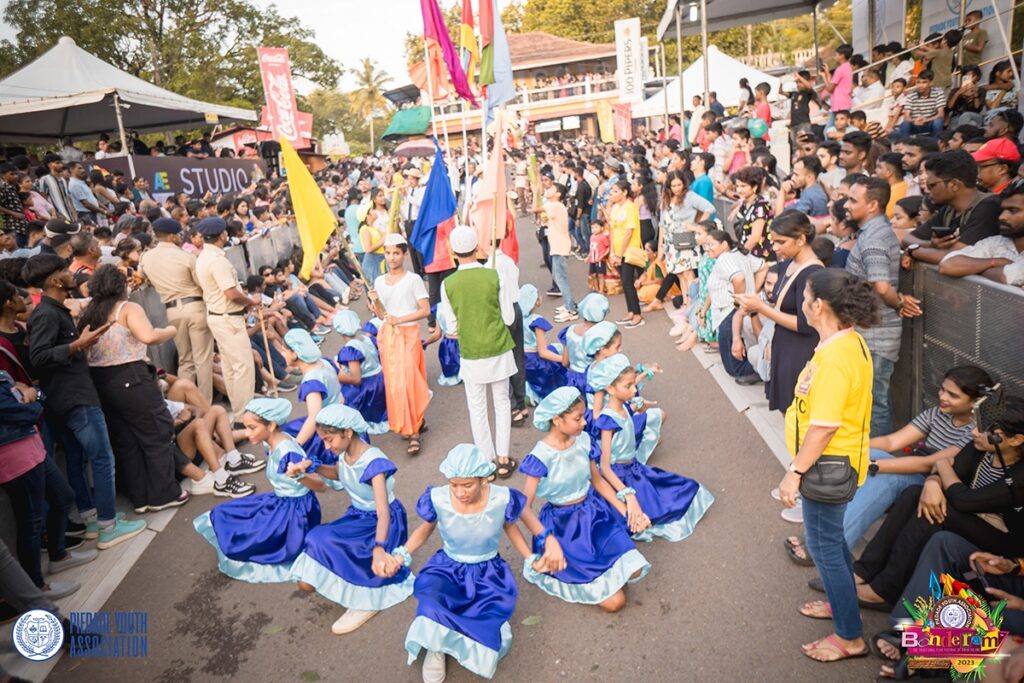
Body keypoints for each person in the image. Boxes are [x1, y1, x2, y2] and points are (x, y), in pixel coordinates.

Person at [778, 268, 878, 663]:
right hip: (837, 463)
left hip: (827, 467)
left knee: (824, 548)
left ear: (819, 306)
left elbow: (823, 427)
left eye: (805, 297)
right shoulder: (845, 343)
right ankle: (842, 604)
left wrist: (794, 472)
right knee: (832, 541)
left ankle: (850, 636)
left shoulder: (837, 356)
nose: (802, 303)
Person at [399, 443, 560, 682]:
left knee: (489, 625)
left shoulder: (501, 499)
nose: (460, 492)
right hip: (448, 567)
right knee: (431, 604)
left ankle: (461, 634)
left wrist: (530, 558)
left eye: (467, 485)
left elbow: (511, 529)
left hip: (487, 572)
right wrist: (402, 553)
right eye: (454, 485)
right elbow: (424, 531)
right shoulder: (438, 498)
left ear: (484, 480)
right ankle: (436, 646)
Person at [852, 395, 1024, 610]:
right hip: (972, 516)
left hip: (1004, 537)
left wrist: (942, 465)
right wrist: (933, 482)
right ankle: (863, 571)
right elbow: (952, 476)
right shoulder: (982, 446)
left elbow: (963, 500)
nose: (973, 432)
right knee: (914, 493)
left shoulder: (1019, 475)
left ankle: (884, 590)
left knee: (937, 514)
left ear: (1016, 440)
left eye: (985, 430)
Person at [23, 254, 147, 548]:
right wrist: (77, 345)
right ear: (54, 280)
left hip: (67, 396)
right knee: (102, 458)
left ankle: (93, 520)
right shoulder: (46, 314)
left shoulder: (55, 309)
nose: (71, 273)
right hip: (74, 397)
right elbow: (38, 357)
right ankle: (107, 526)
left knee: (78, 461)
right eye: (65, 270)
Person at [77, 265, 193, 514]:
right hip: (131, 376)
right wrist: (170, 330)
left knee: (126, 441)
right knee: (156, 433)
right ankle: (164, 494)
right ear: (120, 286)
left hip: (101, 381)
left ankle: (140, 498)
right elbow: (149, 336)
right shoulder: (126, 307)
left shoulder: (90, 311)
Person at [520, 387, 648, 610]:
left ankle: (604, 578)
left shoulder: (584, 441)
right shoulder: (540, 457)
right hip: (563, 529)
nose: (584, 422)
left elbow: (597, 481)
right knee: (615, 602)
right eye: (578, 418)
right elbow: (524, 508)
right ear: (557, 420)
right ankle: (600, 579)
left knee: (636, 568)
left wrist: (626, 511)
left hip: (595, 514)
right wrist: (546, 539)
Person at [291, 404, 414, 635]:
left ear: (347, 432)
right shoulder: (345, 453)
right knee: (317, 538)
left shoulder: (374, 462)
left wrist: (379, 547)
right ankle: (353, 579)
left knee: (321, 539)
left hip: (382, 524)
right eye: (324, 441)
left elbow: (383, 512)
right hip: (358, 516)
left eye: (329, 440)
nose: (327, 446)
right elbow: (339, 474)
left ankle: (364, 598)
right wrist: (310, 469)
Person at [193, 398, 324, 583]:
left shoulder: (287, 453)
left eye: (252, 427)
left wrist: (301, 475)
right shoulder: (273, 440)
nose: (247, 433)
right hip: (284, 500)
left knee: (247, 533)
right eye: (246, 427)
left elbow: (321, 485)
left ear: (271, 425)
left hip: (296, 514)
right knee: (226, 513)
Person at [591, 354, 713, 539]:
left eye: (633, 384)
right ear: (610, 388)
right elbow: (605, 467)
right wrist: (626, 493)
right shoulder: (607, 421)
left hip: (634, 469)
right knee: (655, 507)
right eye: (628, 386)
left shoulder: (623, 406)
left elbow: (628, 417)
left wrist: (637, 407)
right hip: (620, 478)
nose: (634, 390)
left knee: (687, 488)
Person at [844, 177, 921, 436]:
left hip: (876, 336)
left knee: (875, 401)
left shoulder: (874, 238)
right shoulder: (875, 233)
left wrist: (899, 301)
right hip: (871, 332)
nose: (846, 204)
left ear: (873, 205)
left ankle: (878, 460)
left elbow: (881, 287)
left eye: (853, 200)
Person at [441, 226, 517, 477]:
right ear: (477, 248)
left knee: (477, 408)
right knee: (502, 402)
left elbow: (451, 327)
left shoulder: (448, 284)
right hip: (498, 346)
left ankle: (486, 461)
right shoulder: (494, 275)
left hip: (471, 351)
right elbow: (508, 317)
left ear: (452, 250)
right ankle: (504, 457)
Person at [736, 211, 823, 411]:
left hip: (800, 351)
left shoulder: (813, 272)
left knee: (796, 412)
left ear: (801, 239)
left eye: (780, 242)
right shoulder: (786, 264)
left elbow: (805, 324)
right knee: (787, 412)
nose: (774, 247)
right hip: (783, 345)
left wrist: (760, 307)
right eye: (773, 241)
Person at [139, 217, 215, 403]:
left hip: (172, 310)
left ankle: (186, 405)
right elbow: (202, 283)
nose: (181, 237)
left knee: (185, 360)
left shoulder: (146, 257)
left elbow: (141, 279)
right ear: (172, 236)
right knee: (203, 360)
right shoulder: (186, 257)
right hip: (195, 306)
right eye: (179, 234)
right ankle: (205, 404)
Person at [368, 233, 430, 454]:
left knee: (408, 383)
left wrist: (400, 319)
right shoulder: (378, 281)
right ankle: (413, 422)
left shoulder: (413, 280)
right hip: (388, 336)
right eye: (388, 253)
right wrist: (374, 302)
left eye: (396, 253)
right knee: (395, 384)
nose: (392, 257)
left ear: (404, 254)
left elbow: (425, 310)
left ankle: (414, 432)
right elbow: (381, 313)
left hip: (409, 335)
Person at [195, 216, 257, 417]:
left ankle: (241, 411)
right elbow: (230, 293)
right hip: (227, 317)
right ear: (222, 235)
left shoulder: (204, 257)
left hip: (219, 315)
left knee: (231, 367)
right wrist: (250, 301)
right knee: (242, 367)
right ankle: (245, 414)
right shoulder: (216, 261)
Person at [902, 150, 1002, 264]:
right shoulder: (948, 210)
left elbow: (952, 257)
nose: (927, 190)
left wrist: (913, 251)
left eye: (932, 185)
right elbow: (907, 239)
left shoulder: (989, 207)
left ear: (954, 185)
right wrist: (931, 244)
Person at [939, 179, 1024, 286]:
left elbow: (1007, 277)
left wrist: (977, 270)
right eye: (1003, 210)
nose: (1002, 217)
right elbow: (948, 264)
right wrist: (995, 262)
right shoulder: (996, 242)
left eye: (1013, 210)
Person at [279, 328, 343, 465]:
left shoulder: (311, 381)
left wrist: (296, 445)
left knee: (287, 436)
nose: (281, 353)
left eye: (284, 350)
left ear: (295, 353)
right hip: (342, 411)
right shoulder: (324, 362)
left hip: (332, 425)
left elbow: (314, 417)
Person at [332, 310, 389, 434]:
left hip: (369, 385)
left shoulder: (350, 349)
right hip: (381, 377)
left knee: (345, 395)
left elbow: (356, 378)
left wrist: (337, 374)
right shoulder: (367, 339)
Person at [518, 284, 566, 404]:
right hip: (535, 361)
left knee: (555, 348)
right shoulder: (536, 321)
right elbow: (543, 352)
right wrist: (564, 359)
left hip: (522, 359)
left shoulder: (517, 318)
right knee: (558, 365)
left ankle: (527, 391)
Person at [606, 180, 645, 328]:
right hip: (617, 250)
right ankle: (630, 311)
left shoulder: (631, 207)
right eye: (612, 192)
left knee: (629, 282)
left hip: (629, 250)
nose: (612, 194)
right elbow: (612, 230)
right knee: (625, 282)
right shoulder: (615, 207)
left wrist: (619, 253)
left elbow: (629, 232)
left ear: (624, 192)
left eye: (616, 191)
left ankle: (637, 314)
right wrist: (612, 252)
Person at [822, 45, 854, 128]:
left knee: (829, 130)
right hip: (843, 103)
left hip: (840, 105)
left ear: (842, 56)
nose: (834, 57)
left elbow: (830, 88)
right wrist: (826, 73)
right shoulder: (848, 67)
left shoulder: (840, 69)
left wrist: (824, 78)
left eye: (836, 55)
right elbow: (832, 84)